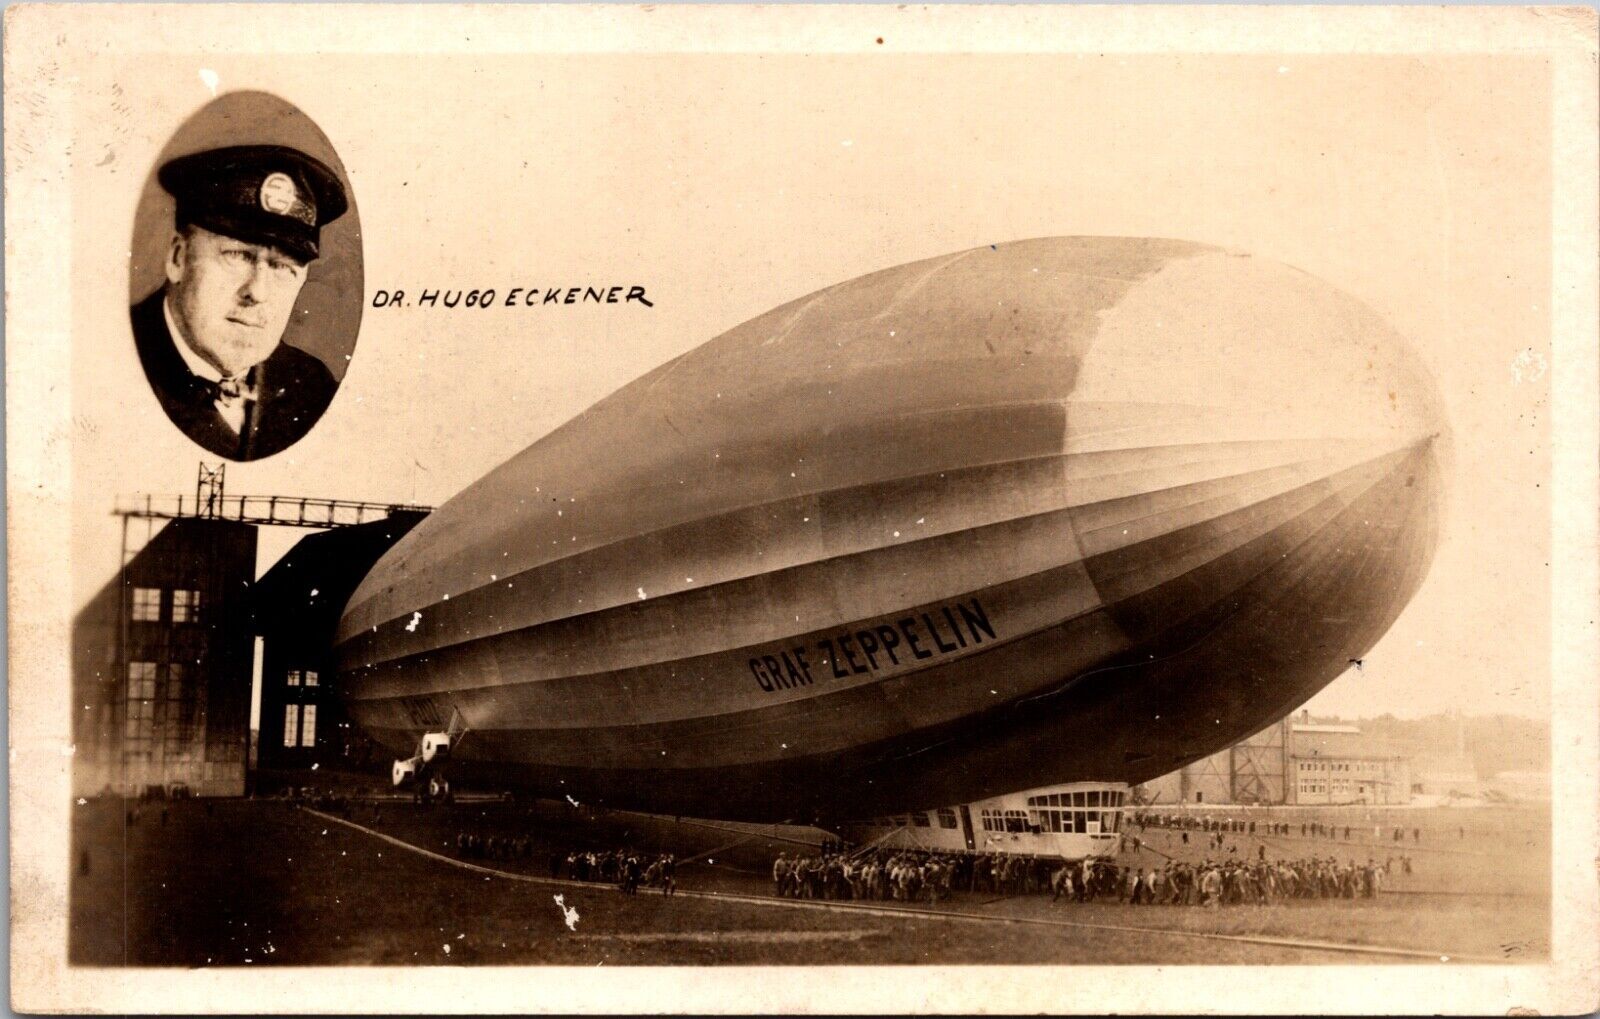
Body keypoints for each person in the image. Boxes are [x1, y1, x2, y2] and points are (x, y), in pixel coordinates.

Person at [132, 145, 348, 460]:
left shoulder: (313, 389)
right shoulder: (114, 357)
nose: (257, 292)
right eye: (237, 256)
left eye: (282, 268)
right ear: (178, 258)